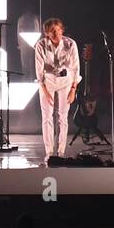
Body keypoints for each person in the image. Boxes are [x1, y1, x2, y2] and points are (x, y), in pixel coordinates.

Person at [34, 17, 80, 160]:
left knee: (62, 117)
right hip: (47, 82)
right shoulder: (41, 45)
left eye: (59, 30)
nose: (56, 33)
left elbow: (75, 68)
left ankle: (60, 151)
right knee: (47, 117)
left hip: (65, 81)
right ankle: (49, 152)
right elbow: (39, 70)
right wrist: (45, 91)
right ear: (47, 33)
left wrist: (73, 89)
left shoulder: (70, 44)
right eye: (53, 31)